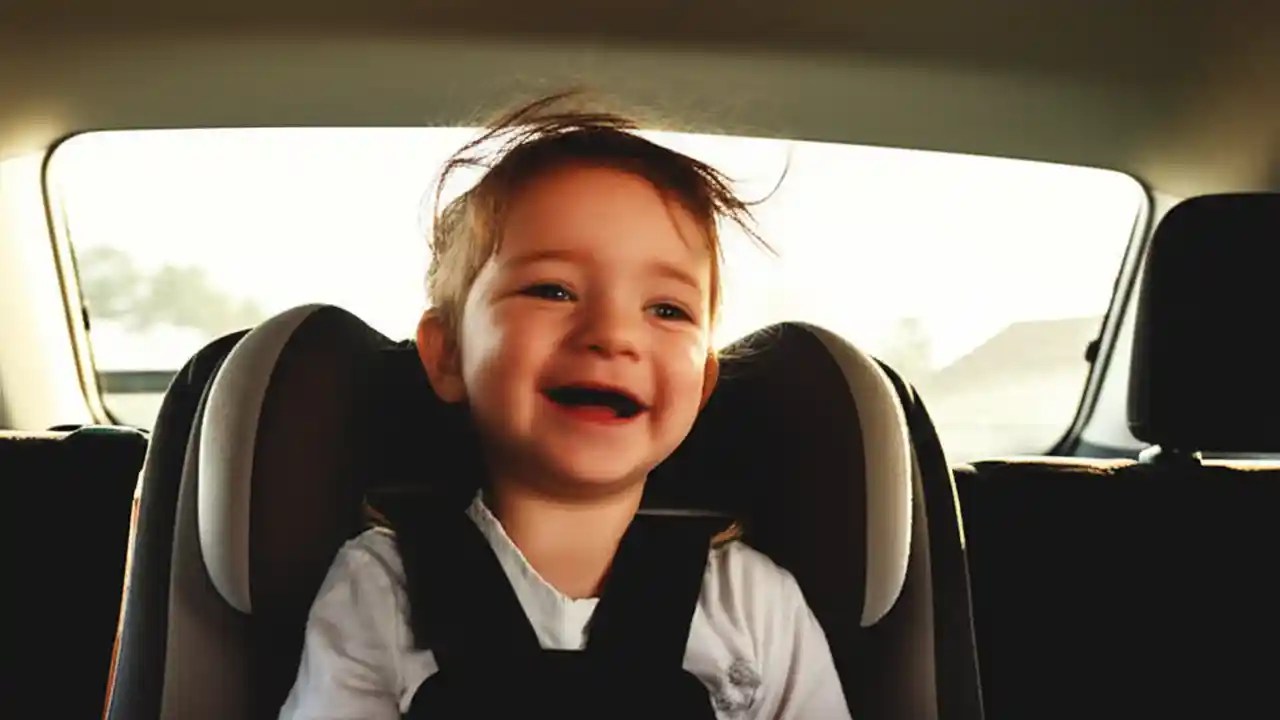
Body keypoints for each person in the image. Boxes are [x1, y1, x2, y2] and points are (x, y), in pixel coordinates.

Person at [279, 92, 851, 719]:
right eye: (552, 290)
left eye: (667, 309)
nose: (613, 334)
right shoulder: (383, 588)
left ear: (703, 386)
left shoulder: (753, 606)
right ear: (446, 356)